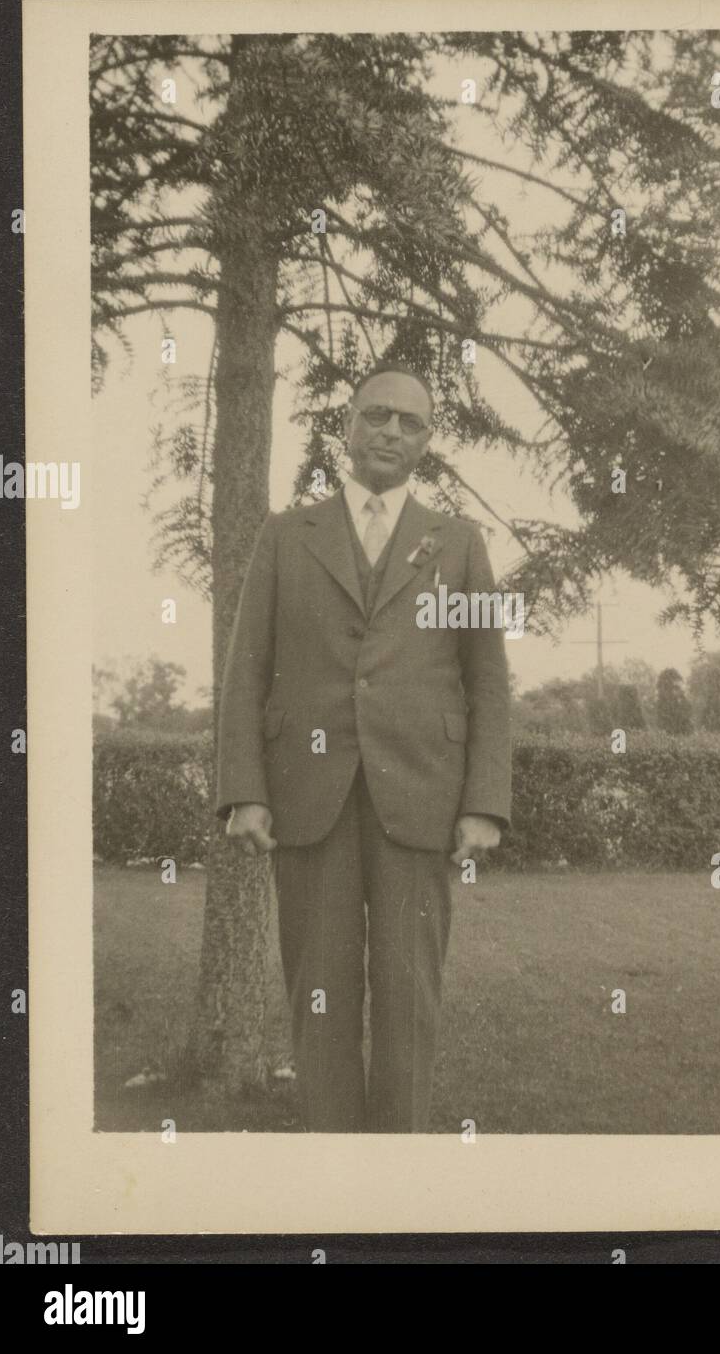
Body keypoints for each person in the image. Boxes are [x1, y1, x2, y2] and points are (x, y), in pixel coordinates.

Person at [215, 362, 512, 1132]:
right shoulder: (286, 536)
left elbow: (488, 681)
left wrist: (484, 804)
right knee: (319, 996)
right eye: (376, 415)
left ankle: (399, 1183)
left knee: (411, 998)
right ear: (346, 426)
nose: (389, 431)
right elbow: (246, 670)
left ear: (427, 443)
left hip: (422, 799)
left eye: (408, 422)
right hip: (307, 802)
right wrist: (244, 789)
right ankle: (329, 1177)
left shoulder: (460, 545)